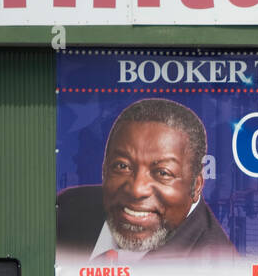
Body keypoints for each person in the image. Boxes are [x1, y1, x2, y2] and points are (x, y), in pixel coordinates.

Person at [56, 98, 236, 263]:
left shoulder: (217, 269)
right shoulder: (69, 207)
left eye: (163, 173)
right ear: (104, 169)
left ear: (196, 186)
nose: (137, 189)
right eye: (122, 166)